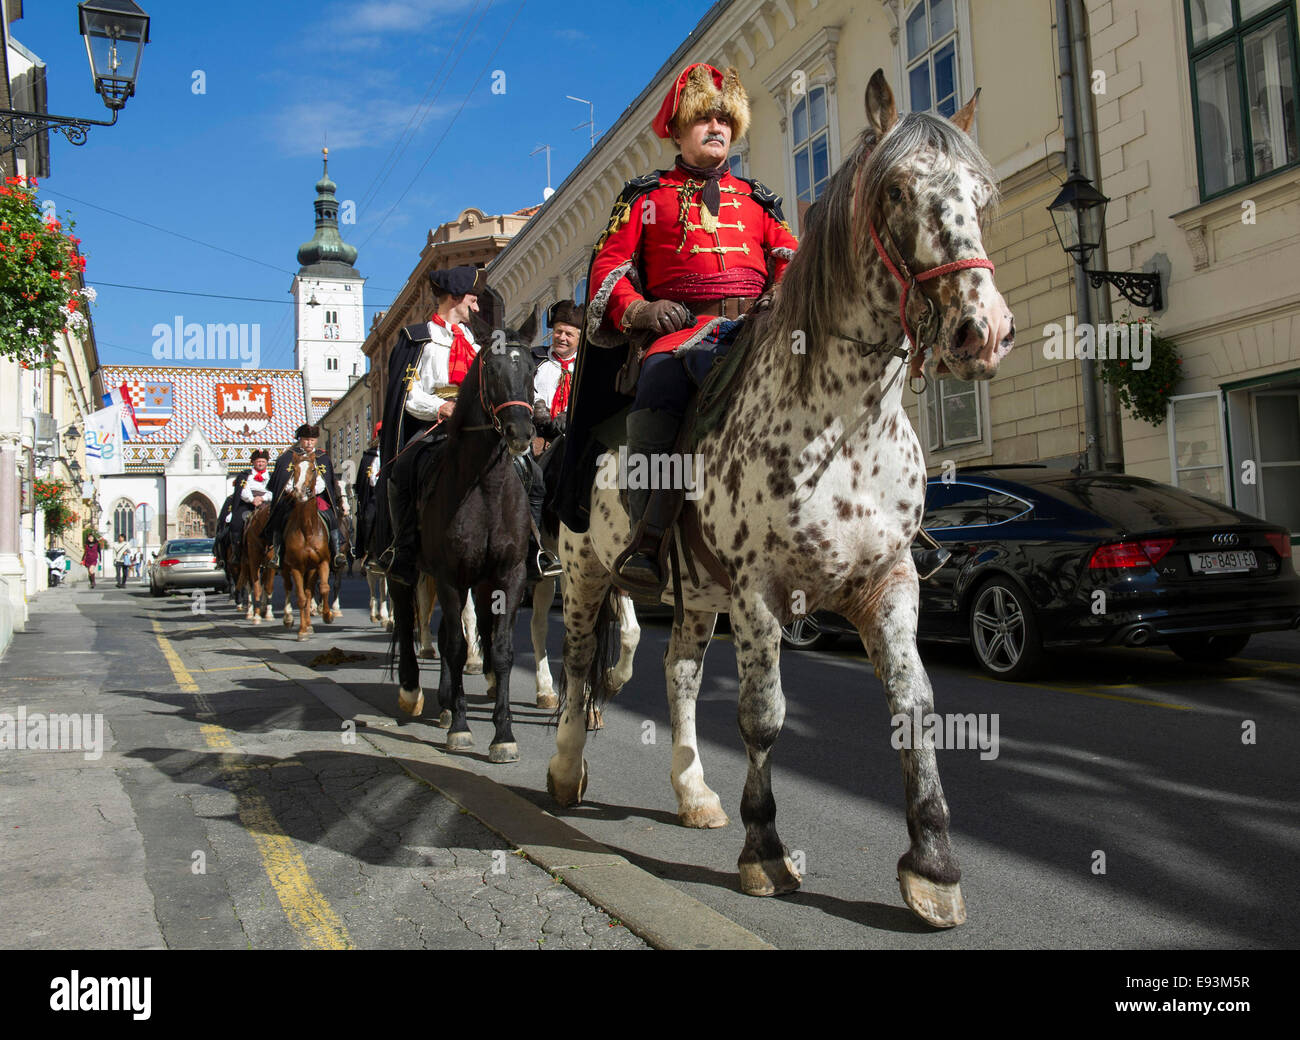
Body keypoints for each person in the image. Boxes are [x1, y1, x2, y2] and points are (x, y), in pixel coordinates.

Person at [561, 62, 798, 593]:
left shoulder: (759, 200)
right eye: (702, 118)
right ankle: (649, 535)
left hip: (759, 328)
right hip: (681, 332)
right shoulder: (644, 197)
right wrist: (641, 312)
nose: (716, 127)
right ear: (676, 128)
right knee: (659, 388)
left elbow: (789, 256)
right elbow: (609, 270)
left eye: (723, 118)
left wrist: (783, 290)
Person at [374, 265, 484, 586]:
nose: (476, 308)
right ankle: (403, 549)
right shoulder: (417, 338)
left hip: (474, 425)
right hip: (434, 425)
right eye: (472, 301)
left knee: (520, 467)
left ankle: (529, 546)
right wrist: (442, 406)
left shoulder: (476, 343)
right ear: (454, 298)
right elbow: (408, 394)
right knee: (402, 471)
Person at [265, 424, 349, 569]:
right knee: (280, 517)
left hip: (316, 497)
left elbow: (326, 481)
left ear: (316, 440)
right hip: (293, 497)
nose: (309, 443)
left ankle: (336, 553)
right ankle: (277, 555)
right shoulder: (288, 457)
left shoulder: (322, 457)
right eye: (305, 440)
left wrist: (314, 491)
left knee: (331, 517)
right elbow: (283, 481)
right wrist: (293, 490)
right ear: (300, 440)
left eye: (312, 440)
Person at [354, 422, 382, 563]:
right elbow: (361, 482)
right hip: (374, 495)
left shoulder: (396, 452)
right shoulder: (368, 457)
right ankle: (368, 550)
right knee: (368, 518)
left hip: (390, 492)